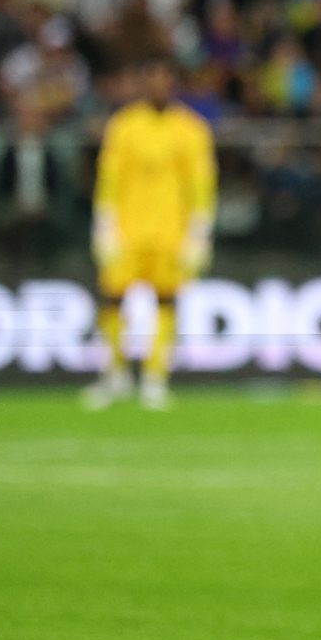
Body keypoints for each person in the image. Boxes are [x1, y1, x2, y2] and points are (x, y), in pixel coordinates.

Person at [82, 56, 216, 411]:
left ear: (173, 84)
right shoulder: (124, 126)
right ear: (143, 83)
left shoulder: (190, 128)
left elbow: (201, 182)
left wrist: (200, 230)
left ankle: (155, 378)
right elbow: (109, 177)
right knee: (113, 298)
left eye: (164, 79)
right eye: (152, 78)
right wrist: (104, 223)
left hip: (171, 230)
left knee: (167, 300)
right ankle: (115, 375)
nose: (158, 85)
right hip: (128, 228)